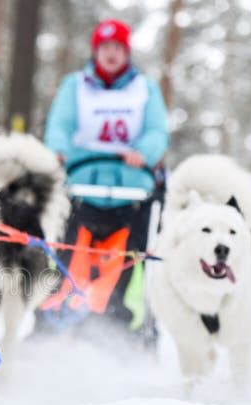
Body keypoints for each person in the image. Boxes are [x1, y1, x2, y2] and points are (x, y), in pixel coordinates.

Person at [41, 19, 169, 328]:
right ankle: (52, 319)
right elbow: (59, 126)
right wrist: (58, 150)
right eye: (105, 47)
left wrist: (144, 153)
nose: (111, 54)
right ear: (96, 51)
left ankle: (123, 324)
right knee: (66, 260)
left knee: (128, 264)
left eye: (118, 48)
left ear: (126, 52)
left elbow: (156, 131)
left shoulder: (145, 88)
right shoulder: (75, 85)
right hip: (80, 187)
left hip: (133, 189)